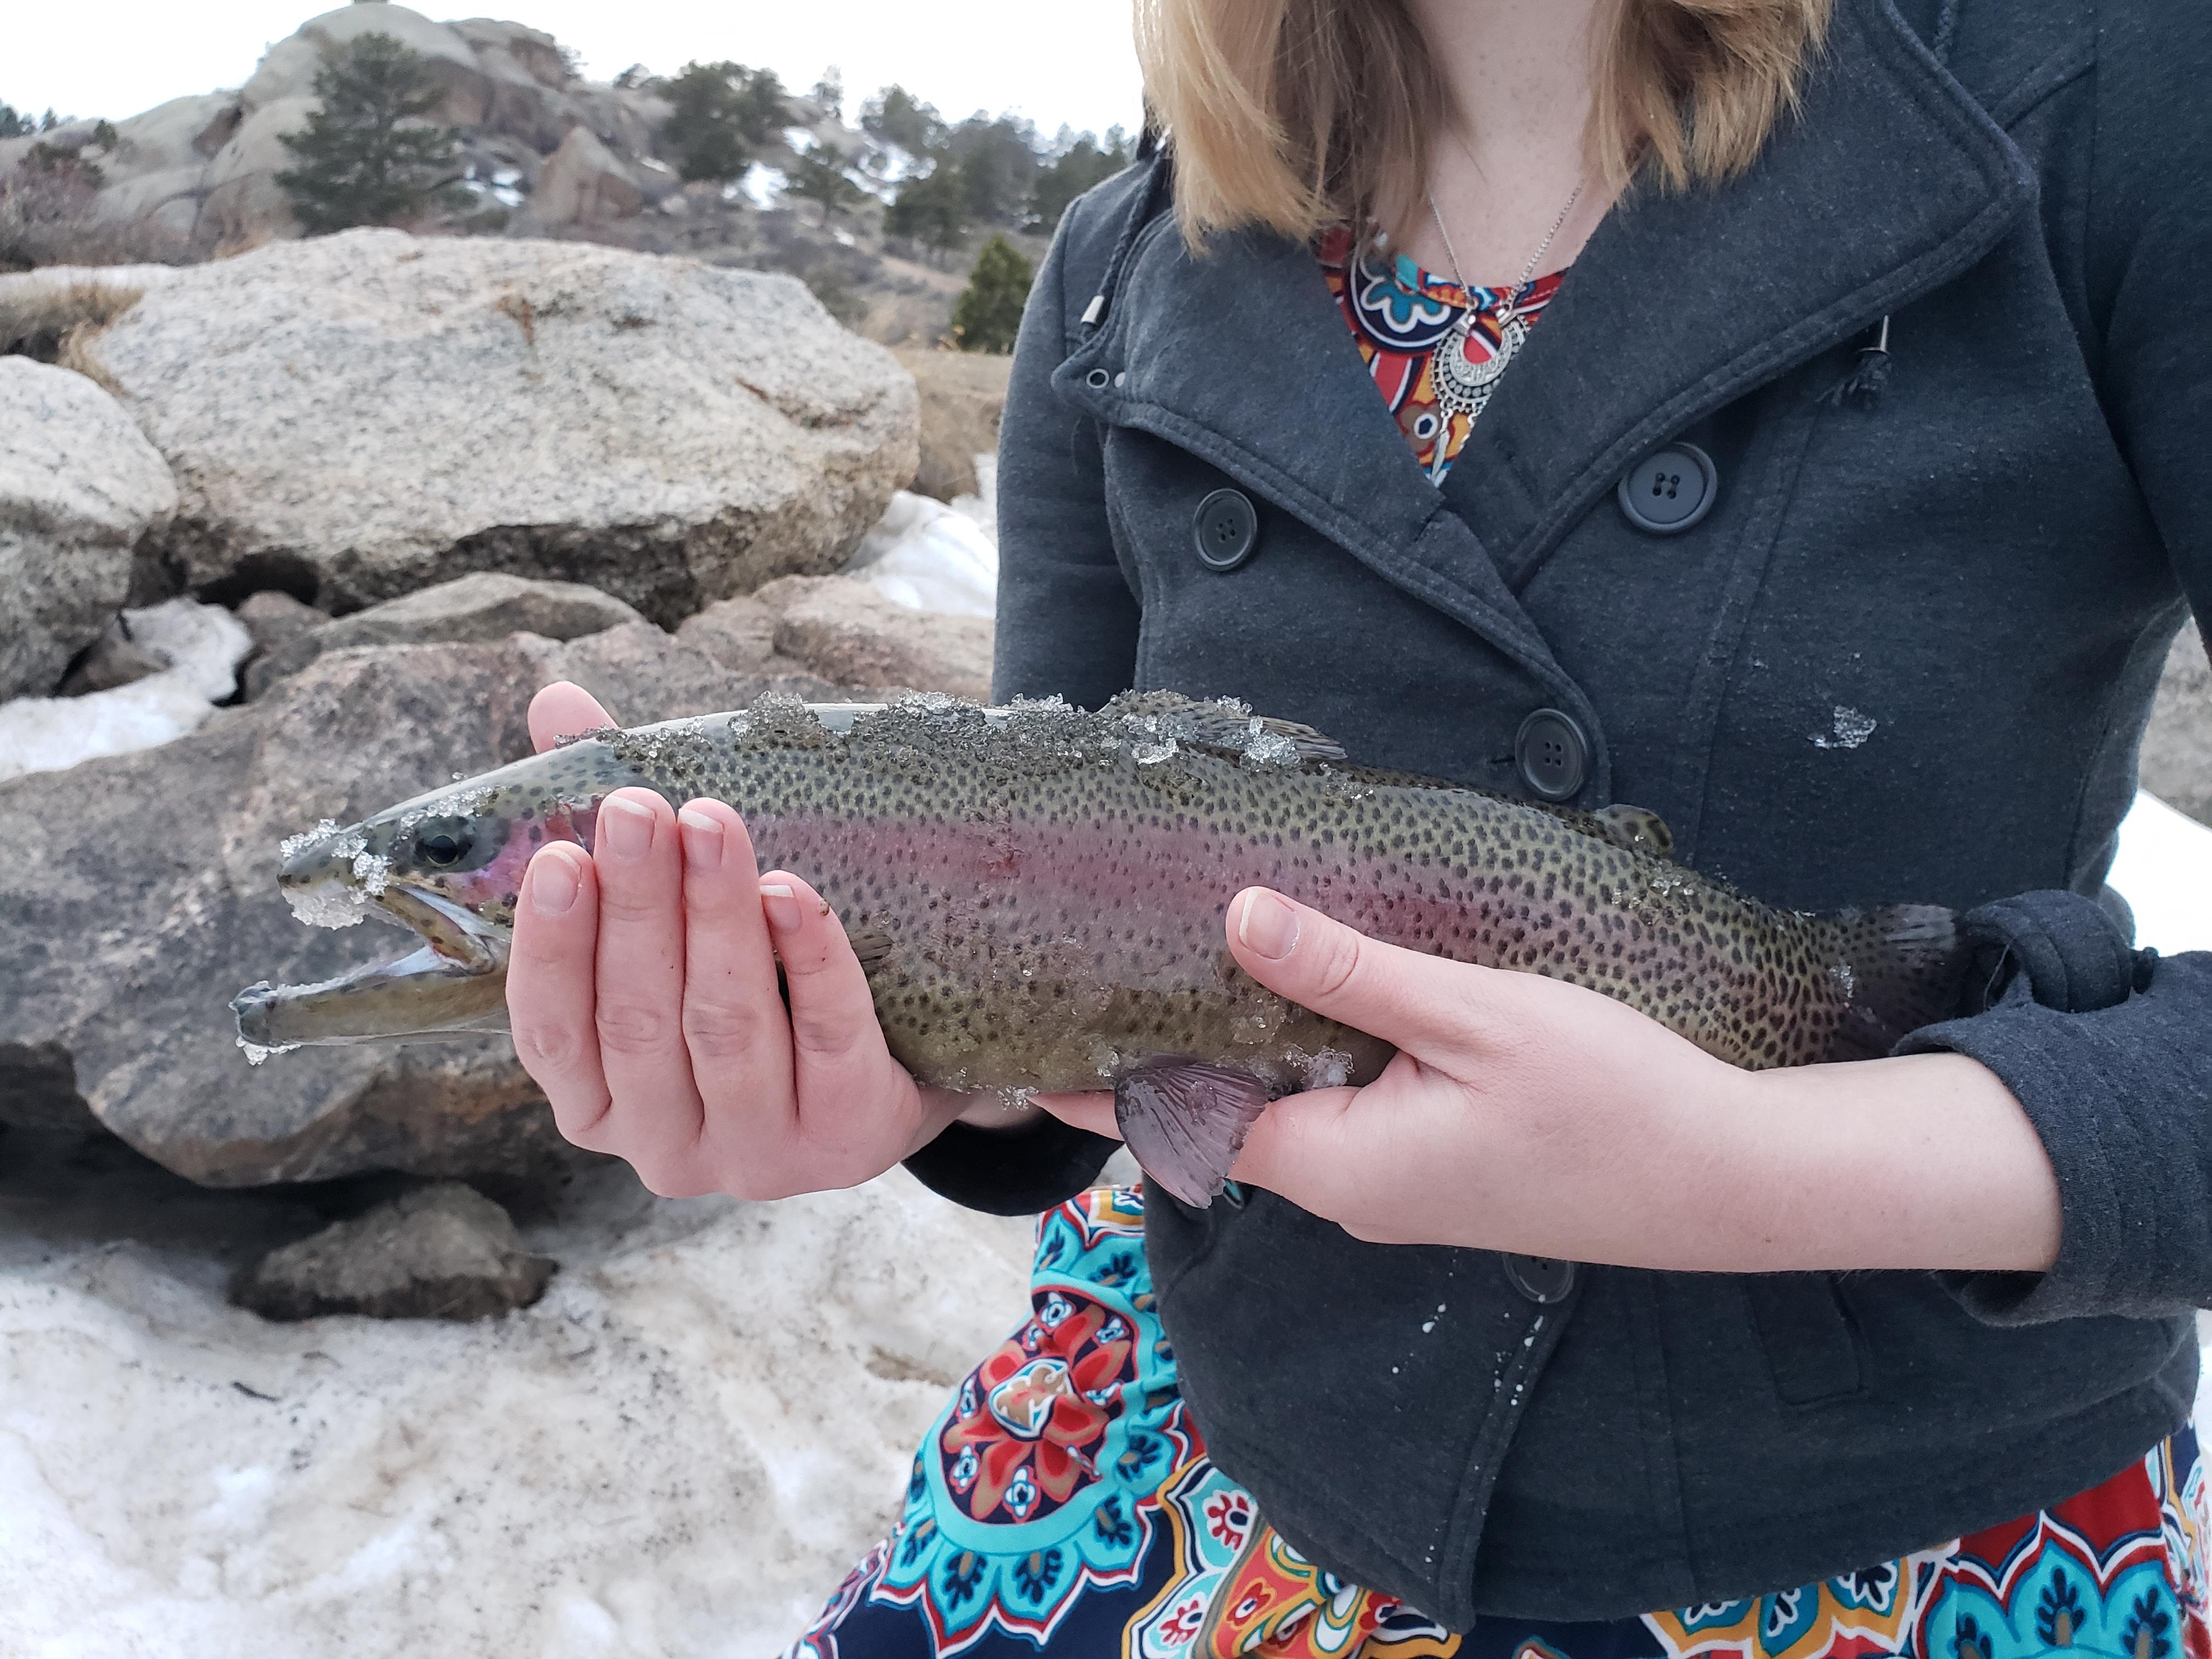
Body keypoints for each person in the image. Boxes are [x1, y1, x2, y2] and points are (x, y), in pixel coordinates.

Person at [506, 0, 2212, 1649]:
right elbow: (1068, 918)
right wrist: (891, 1072)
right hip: (1204, 1442)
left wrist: (1762, 1175)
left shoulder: (2116, 89)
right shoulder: (1119, 271)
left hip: (1904, 1534)